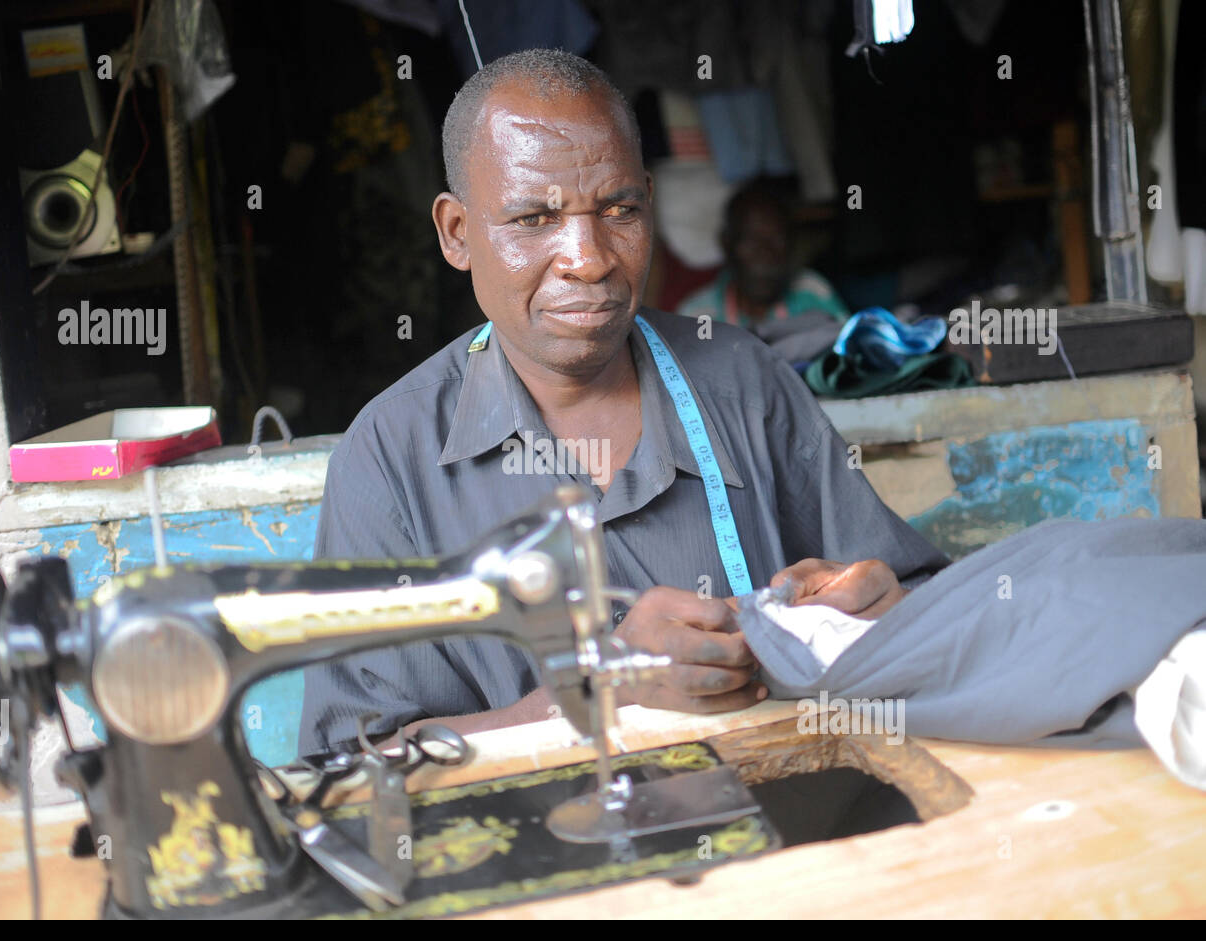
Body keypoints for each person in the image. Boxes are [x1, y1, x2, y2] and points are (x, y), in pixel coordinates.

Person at [299, 49, 946, 756]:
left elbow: (919, 605)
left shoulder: (739, 378)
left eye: (618, 209)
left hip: (792, 821)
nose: (591, 257)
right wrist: (596, 694)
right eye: (535, 220)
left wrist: (882, 611)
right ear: (457, 233)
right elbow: (356, 764)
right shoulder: (389, 458)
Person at [677, 176, 848, 337]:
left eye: (778, 240)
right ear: (727, 245)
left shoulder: (811, 293)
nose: (765, 254)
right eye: (751, 241)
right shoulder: (698, 315)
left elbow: (852, 352)